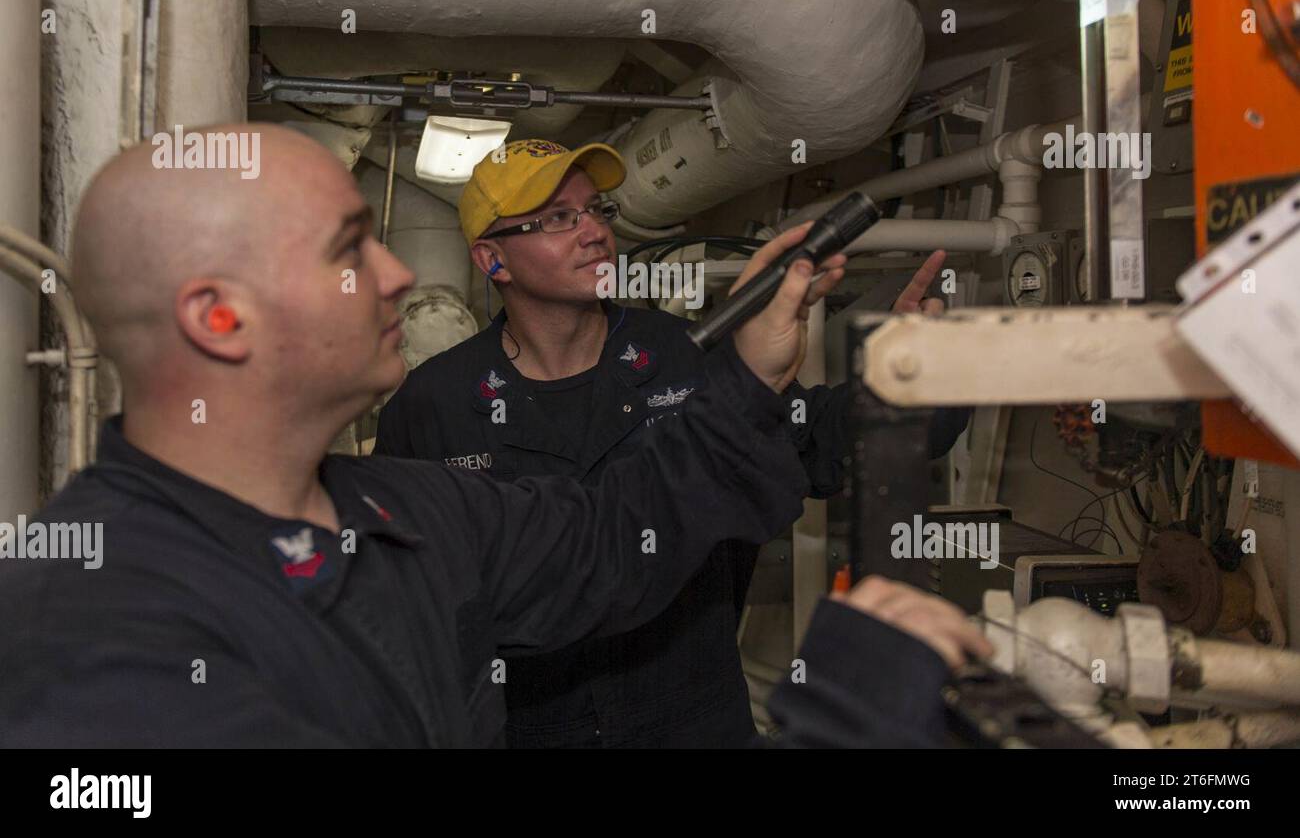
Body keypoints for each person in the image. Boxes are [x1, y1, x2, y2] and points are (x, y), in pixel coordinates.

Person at [0, 124, 989, 749]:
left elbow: (616, 531)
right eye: (351, 247)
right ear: (220, 318)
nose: (396, 275)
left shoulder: (410, 513)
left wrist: (758, 376)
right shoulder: (84, 624)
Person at [375, 138, 971, 748]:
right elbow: (407, 608)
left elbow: (822, 439)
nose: (594, 233)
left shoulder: (692, 356)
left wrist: (914, 373)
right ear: (492, 261)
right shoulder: (432, 408)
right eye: (559, 217)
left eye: (597, 210)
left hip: (695, 724)